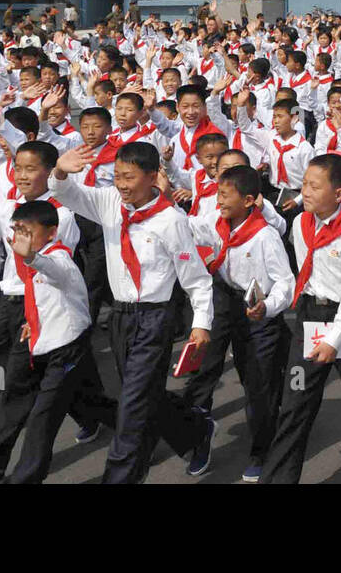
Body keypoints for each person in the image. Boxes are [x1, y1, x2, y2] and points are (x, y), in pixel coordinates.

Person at [51, 141, 215, 484]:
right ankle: (195, 430)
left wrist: (201, 324)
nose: (122, 184)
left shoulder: (171, 220)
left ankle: (121, 476)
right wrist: (61, 170)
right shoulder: (111, 202)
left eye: (129, 177)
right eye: (118, 176)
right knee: (142, 396)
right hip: (121, 317)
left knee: (132, 406)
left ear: (153, 177)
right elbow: (68, 194)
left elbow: (196, 279)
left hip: (156, 318)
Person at [0, 201, 116, 484]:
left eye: (27, 231)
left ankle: (24, 478)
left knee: (43, 417)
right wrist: (31, 323)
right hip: (38, 340)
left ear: (51, 232)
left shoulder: (58, 258)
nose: (20, 237)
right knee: (24, 396)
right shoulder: (32, 260)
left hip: (67, 348)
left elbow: (53, 273)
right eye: (17, 230)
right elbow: (46, 300)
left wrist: (30, 256)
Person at [259, 153, 341, 484]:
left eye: (314, 186)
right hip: (311, 317)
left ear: (339, 195)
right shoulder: (301, 223)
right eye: (304, 185)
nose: (306, 192)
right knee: (295, 399)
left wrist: (334, 338)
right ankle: (279, 477)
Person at [184, 164, 292, 481]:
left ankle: (263, 449)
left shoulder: (264, 236)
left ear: (248, 200)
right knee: (204, 366)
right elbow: (189, 226)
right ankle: (200, 432)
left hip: (258, 311)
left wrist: (268, 306)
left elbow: (285, 282)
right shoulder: (219, 223)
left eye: (225, 195)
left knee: (258, 382)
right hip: (225, 300)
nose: (218, 201)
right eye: (217, 194)